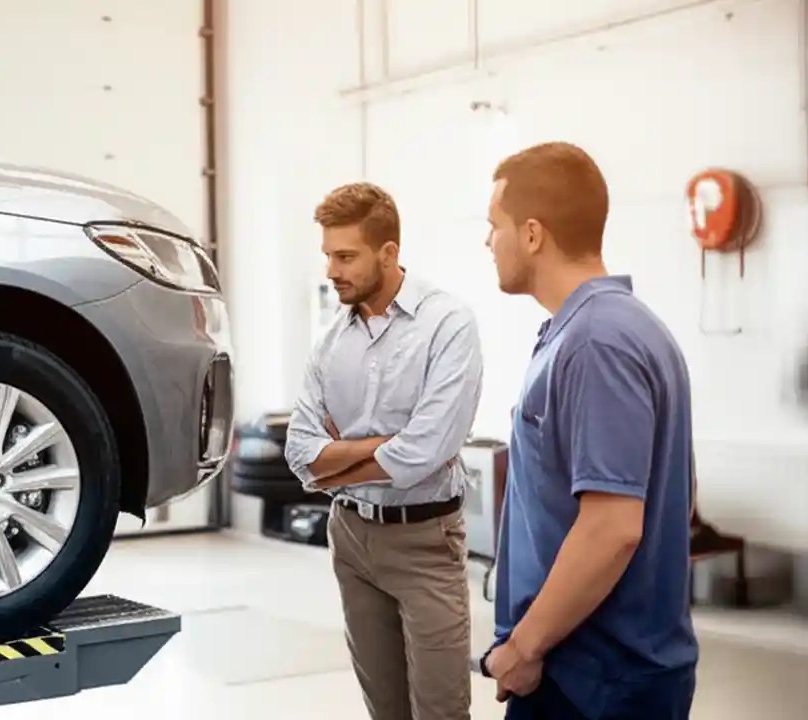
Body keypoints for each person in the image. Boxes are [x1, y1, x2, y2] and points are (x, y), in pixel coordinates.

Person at [480, 141, 699, 719]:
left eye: (493, 226)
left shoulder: (598, 342)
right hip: (579, 667)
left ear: (532, 234)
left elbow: (612, 527)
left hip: (593, 681)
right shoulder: (589, 330)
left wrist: (524, 648)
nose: (487, 242)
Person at [284, 181, 483, 720]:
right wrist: (382, 446)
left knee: (441, 711)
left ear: (389, 252)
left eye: (345, 256)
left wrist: (339, 457)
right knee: (385, 711)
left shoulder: (448, 325)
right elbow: (301, 452)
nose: (331, 270)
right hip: (350, 538)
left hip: (425, 541)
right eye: (328, 255)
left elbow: (428, 451)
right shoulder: (330, 342)